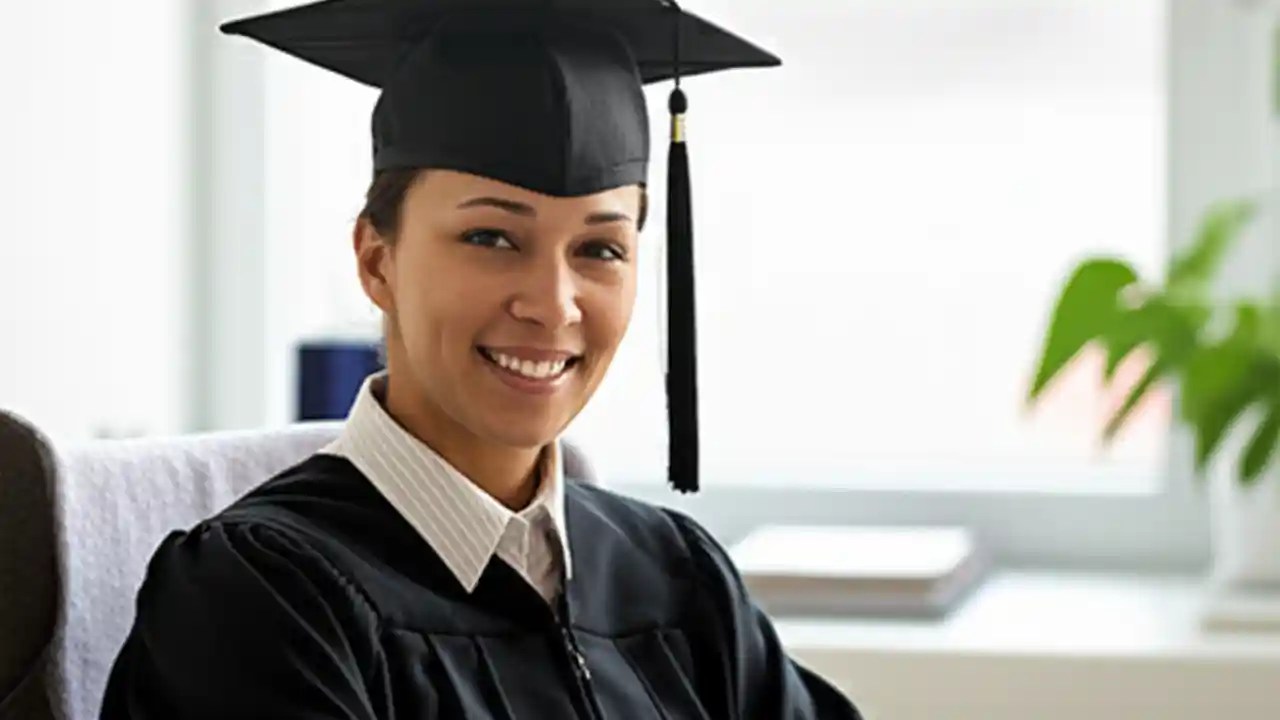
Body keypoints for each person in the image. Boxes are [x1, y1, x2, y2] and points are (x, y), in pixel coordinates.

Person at [100, 0, 864, 718]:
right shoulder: (259, 597)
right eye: (492, 238)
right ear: (376, 260)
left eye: (600, 249)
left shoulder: (679, 577)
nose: (553, 302)